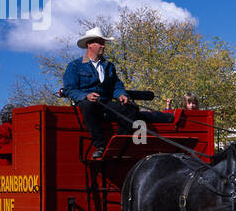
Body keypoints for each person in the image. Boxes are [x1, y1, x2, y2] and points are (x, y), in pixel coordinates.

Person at [62, 27, 174, 159]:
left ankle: (119, 144)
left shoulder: (109, 66)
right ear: (89, 45)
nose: (103, 46)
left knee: (130, 107)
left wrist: (121, 95)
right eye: (100, 42)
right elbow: (69, 89)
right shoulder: (75, 66)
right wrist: (85, 96)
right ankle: (100, 145)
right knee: (87, 106)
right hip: (89, 104)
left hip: (106, 103)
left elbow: (117, 85)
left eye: (103, 43)